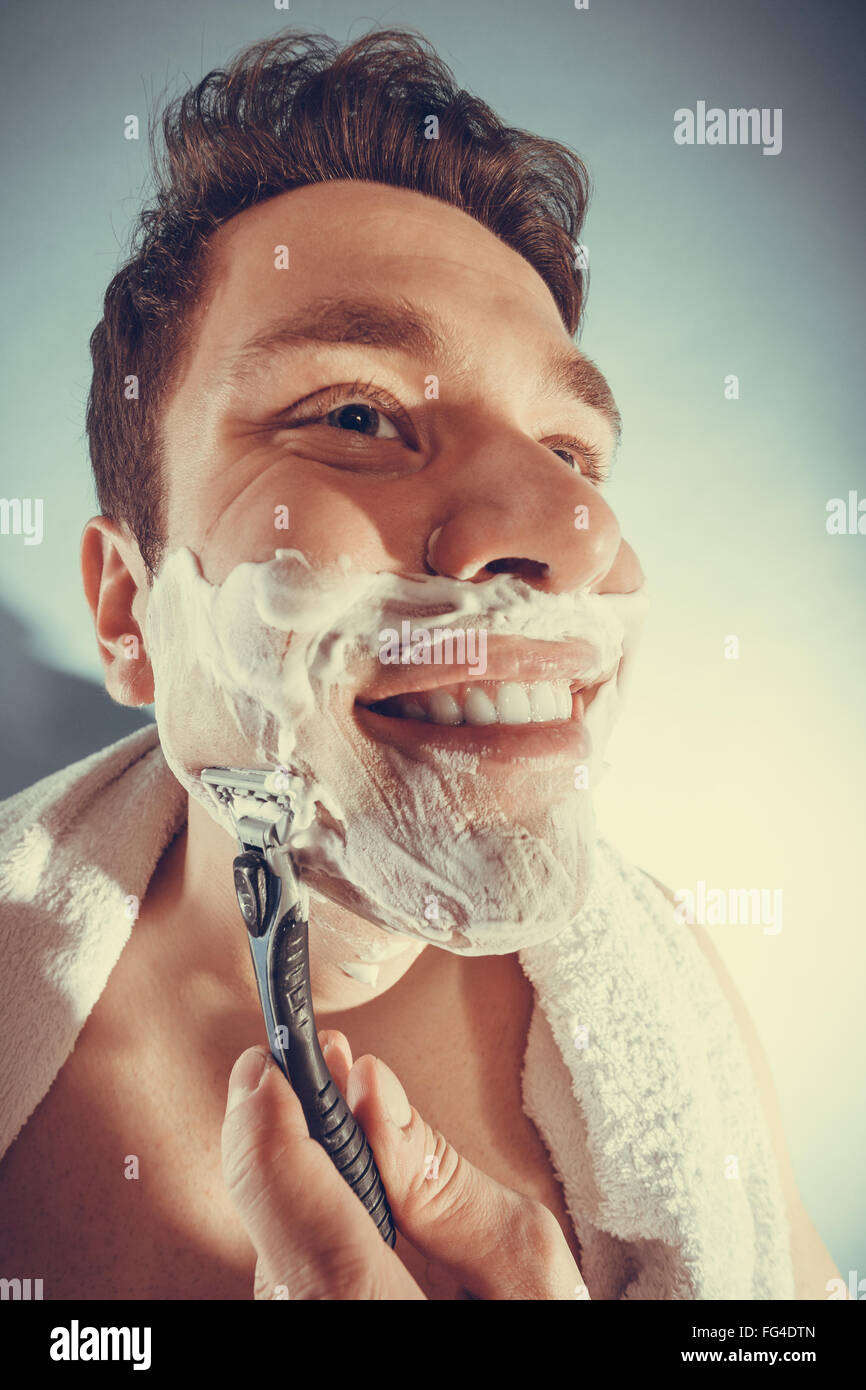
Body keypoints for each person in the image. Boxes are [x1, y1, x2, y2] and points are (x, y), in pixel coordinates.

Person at [0, 27, 843, 1300]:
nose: (573, 536)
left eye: (571, 455)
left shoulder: (679, 1014)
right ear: (128, 615)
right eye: (355, 415)